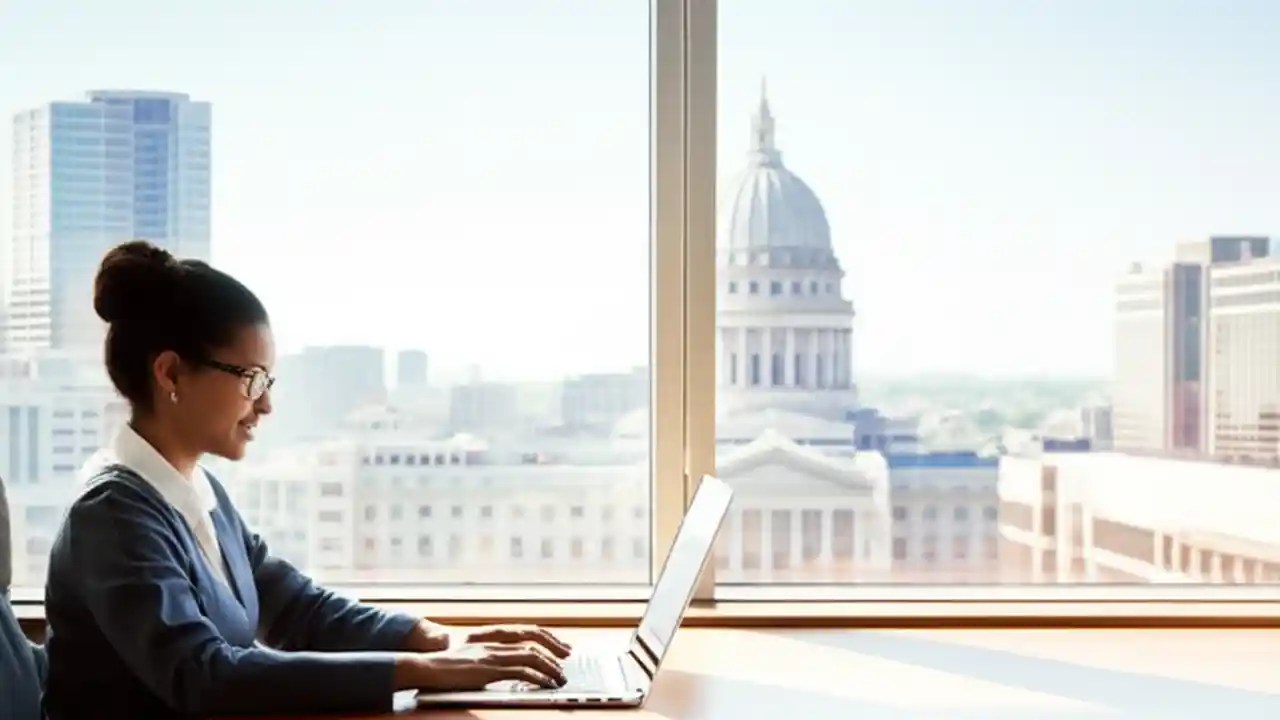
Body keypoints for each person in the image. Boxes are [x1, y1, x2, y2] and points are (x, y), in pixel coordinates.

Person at [44, 241, 571, 719]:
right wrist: (421, 672)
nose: (266, 404)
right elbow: (203, 676)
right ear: (171, 374)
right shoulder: (113, 512)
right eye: (251, 380)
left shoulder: (192, 490)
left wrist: (435, 640)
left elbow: (296, 608)